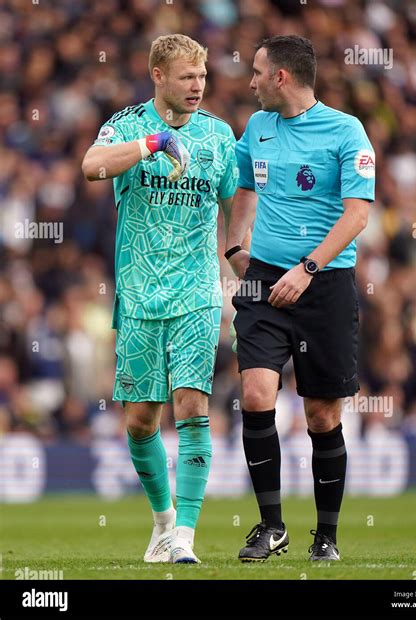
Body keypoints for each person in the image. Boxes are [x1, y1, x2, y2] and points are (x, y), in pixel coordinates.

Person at [82, 34, 240, 564]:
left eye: (201, 77)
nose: (197, 87)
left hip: (197, 289)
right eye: (185, 77)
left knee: (194, 407)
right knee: (141, 421)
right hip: (139, 292)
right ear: (157, 75)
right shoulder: (125, 125)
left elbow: (237, 198)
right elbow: (91, 166)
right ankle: (163, 522)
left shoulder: (219, 136)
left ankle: (186, 538)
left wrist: (236, 254)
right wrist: (152, 144)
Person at [225, 35, 375, 562]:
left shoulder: (346, 131)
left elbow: (357, 214)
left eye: (258, 72)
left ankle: (327, 537)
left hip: (325, 285)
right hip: (264, 281)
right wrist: (234, 246)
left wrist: (309, 268)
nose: (251, 81)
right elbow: (243, 185)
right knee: (258, 395)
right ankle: (270, 526)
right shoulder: (258, 127)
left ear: (281, 77)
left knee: (320, 417)